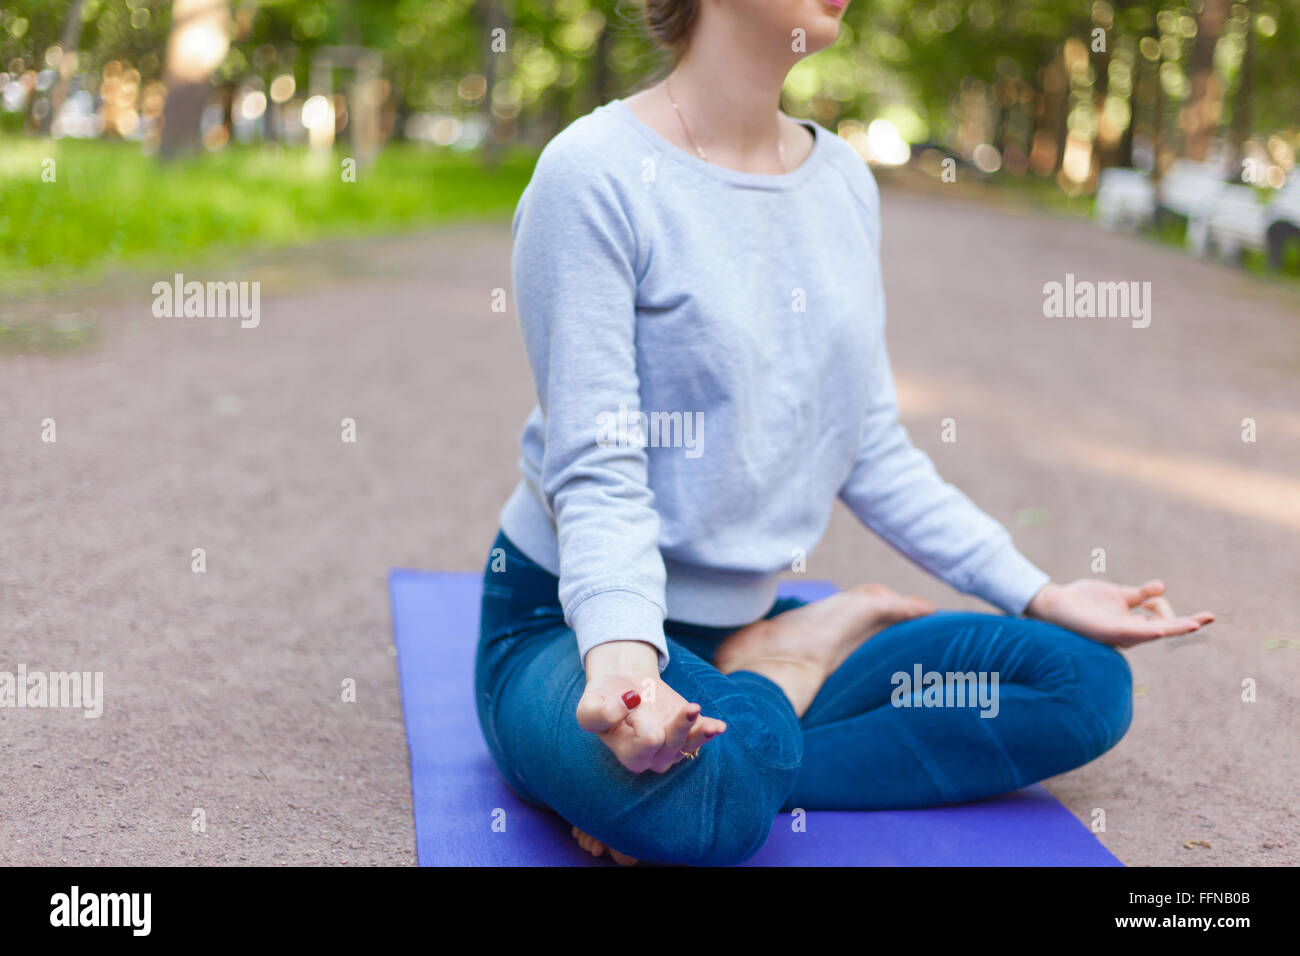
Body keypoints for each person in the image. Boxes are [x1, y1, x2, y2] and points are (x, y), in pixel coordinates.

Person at [474, 0, 1214, 866]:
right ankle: (772, 689)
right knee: (697, 813)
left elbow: (868, 446)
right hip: (574, 630)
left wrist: (1042, 591)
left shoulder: (842, 184)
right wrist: (625, 670)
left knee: (1082, 683)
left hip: (740, 623)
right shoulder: (592, 173)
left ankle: (760, 691)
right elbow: (598, 468)